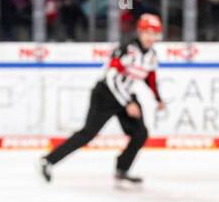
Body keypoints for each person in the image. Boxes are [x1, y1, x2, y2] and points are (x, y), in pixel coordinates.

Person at [41, 12, 165, 187]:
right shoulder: (126, 49)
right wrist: (128, 103)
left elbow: (149, 77)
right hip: (105, 95)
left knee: (140, 133)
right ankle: (48, 161)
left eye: (155, 34)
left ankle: (122, 169)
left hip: (125, 96)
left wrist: (158, 98)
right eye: (148, 33)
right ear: (140, 32)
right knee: (87, 134)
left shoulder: (151, 55)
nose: (151, 37)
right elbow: (112, 77)